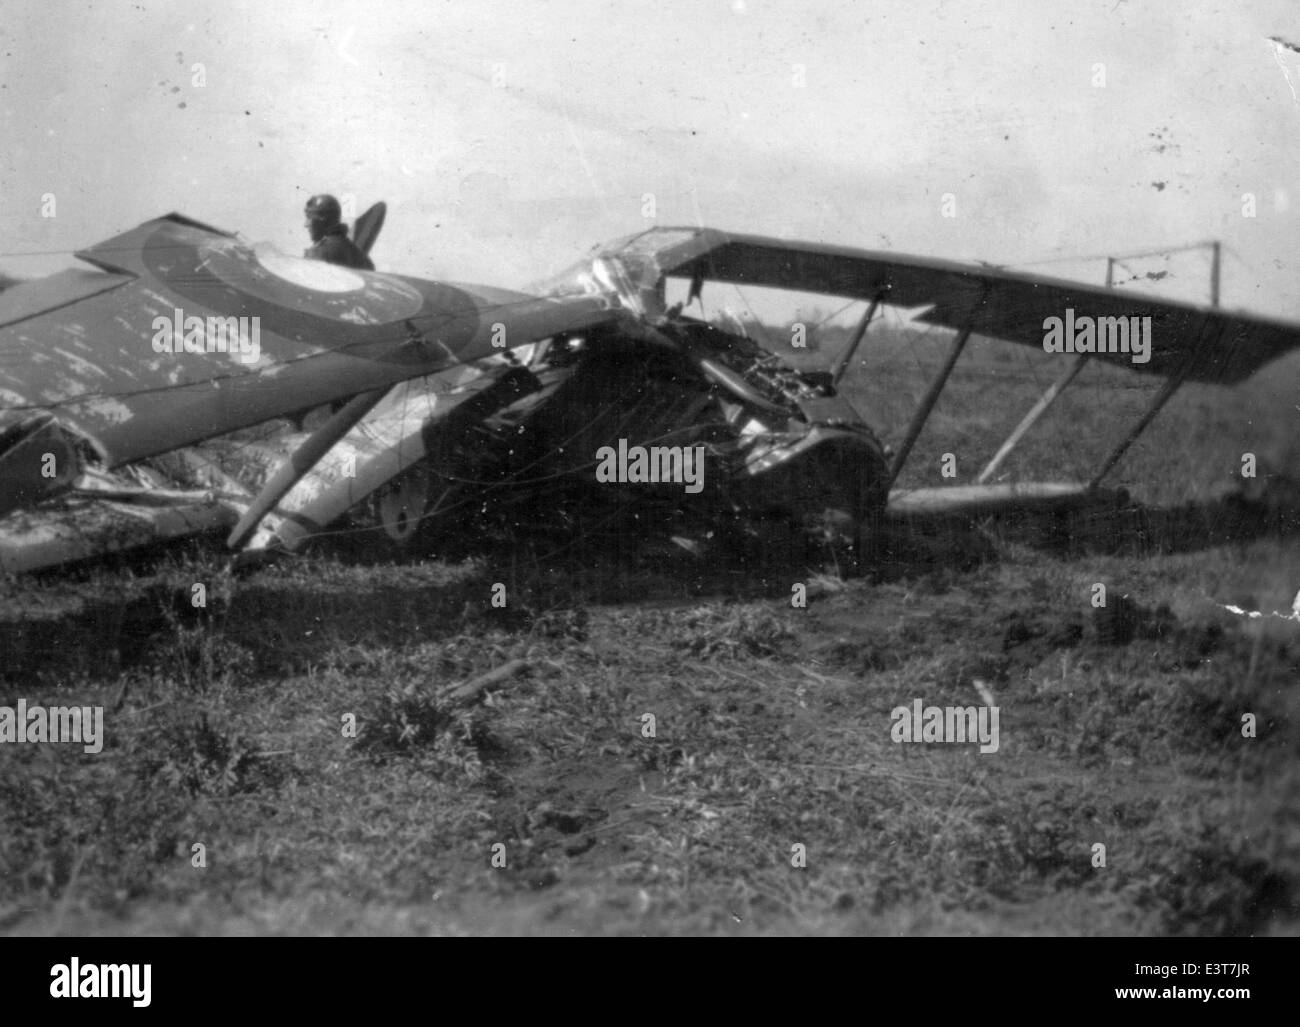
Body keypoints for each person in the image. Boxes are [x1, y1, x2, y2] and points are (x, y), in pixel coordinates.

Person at [302, 194, 374, 270]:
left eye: (309, 218)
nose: (305, 224)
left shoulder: (316, 253)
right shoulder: (364, 260)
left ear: (322, 220)